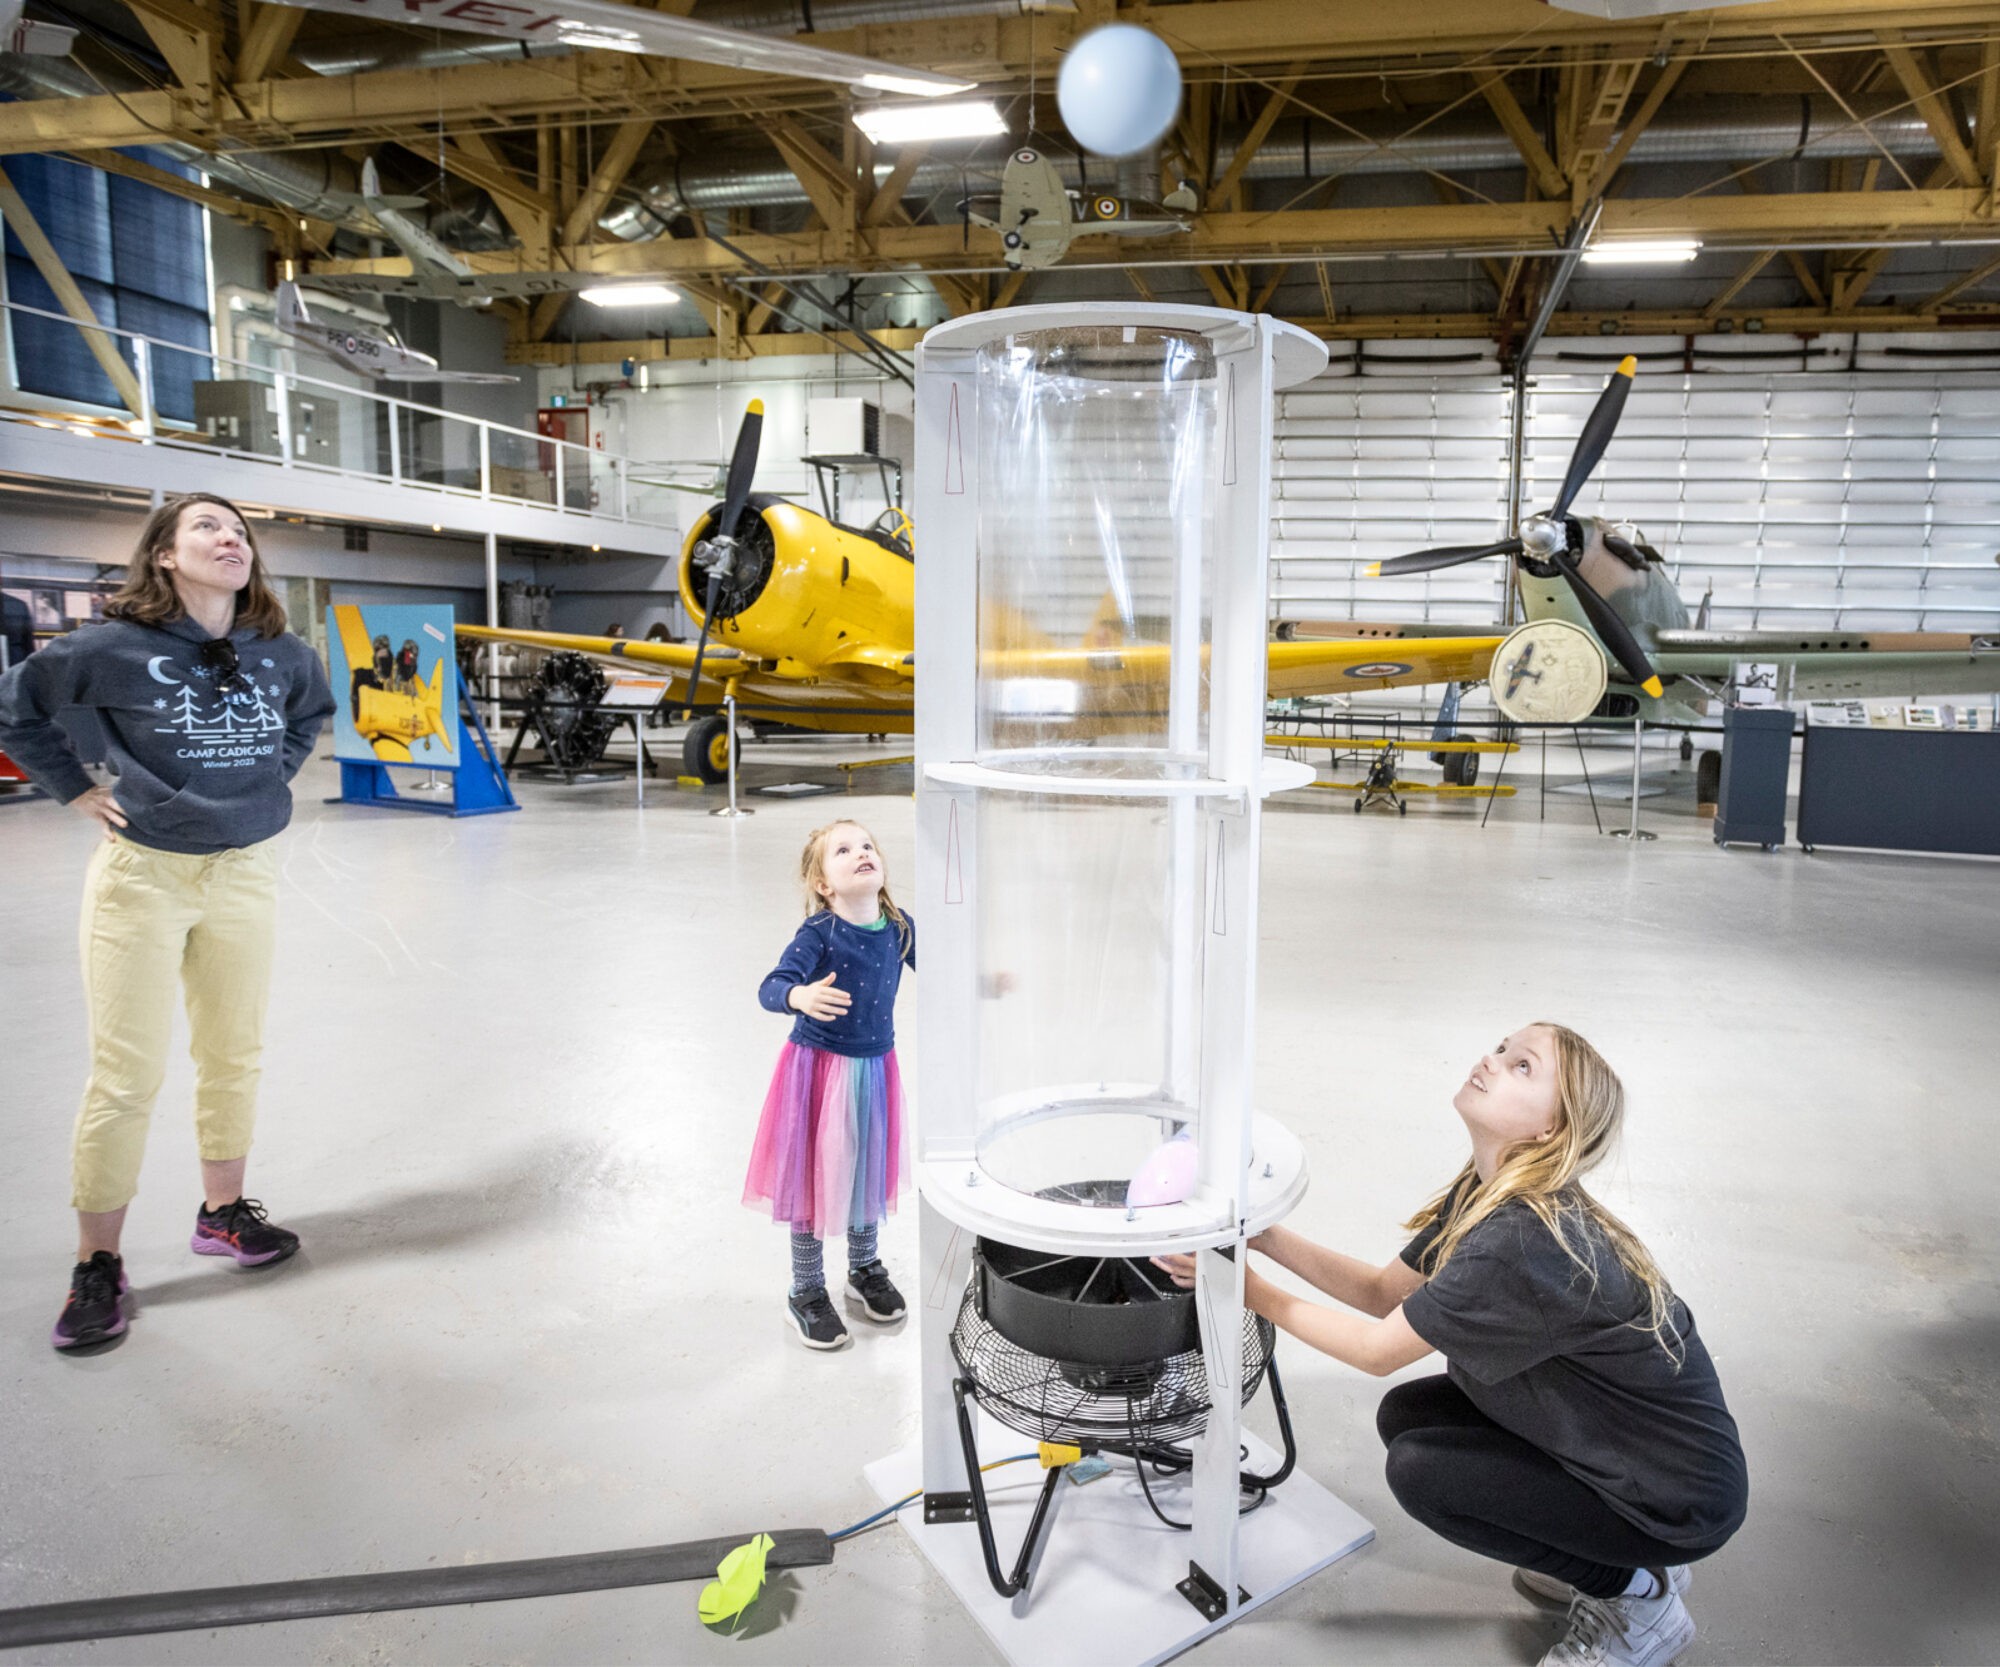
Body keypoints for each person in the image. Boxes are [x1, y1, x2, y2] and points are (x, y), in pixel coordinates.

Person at [1157, 1024, 1747, 1667]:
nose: (1491, 1061)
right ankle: (1600, 1554)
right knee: (1410, 1418)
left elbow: (1376, 1351)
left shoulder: (1526, 1239)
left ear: (1552, 1127)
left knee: (1424, 1476)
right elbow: (1386, 1294)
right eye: (1501, 1048)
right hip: (1622, 1449)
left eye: (1522, 1067)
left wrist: (1250, 1290)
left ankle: (1638, 1598)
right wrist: (1263, 1237)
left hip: (1674, 1497)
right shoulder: (1492, 1190)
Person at [0, 494, 335, 1352]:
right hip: (143, 875)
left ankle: (223, 1213)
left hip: (245, 868)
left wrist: (268, 779)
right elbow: (19, 705)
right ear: (162, 555)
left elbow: (308, 713)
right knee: (125, 1075)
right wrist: (72, 788)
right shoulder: (110, 647)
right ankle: (97, 1262)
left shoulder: (280, 651)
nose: (232, 539)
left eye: (241, 531)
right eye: (208, 528)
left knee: (234, 1054)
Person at [746, 820, 913, 1351]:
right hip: (818, 1073)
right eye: (843, 850)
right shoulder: (818, 934)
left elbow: (946, 967)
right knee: (813, 1181)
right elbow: (771, 987)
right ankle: (807, 1289)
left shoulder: (899, 926)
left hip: (874, 1069)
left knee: (865, 1170)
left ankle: (863, 1269)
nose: (861, 852)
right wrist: (799, 997)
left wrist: (988, 981)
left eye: (868, 844)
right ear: (824, 883)